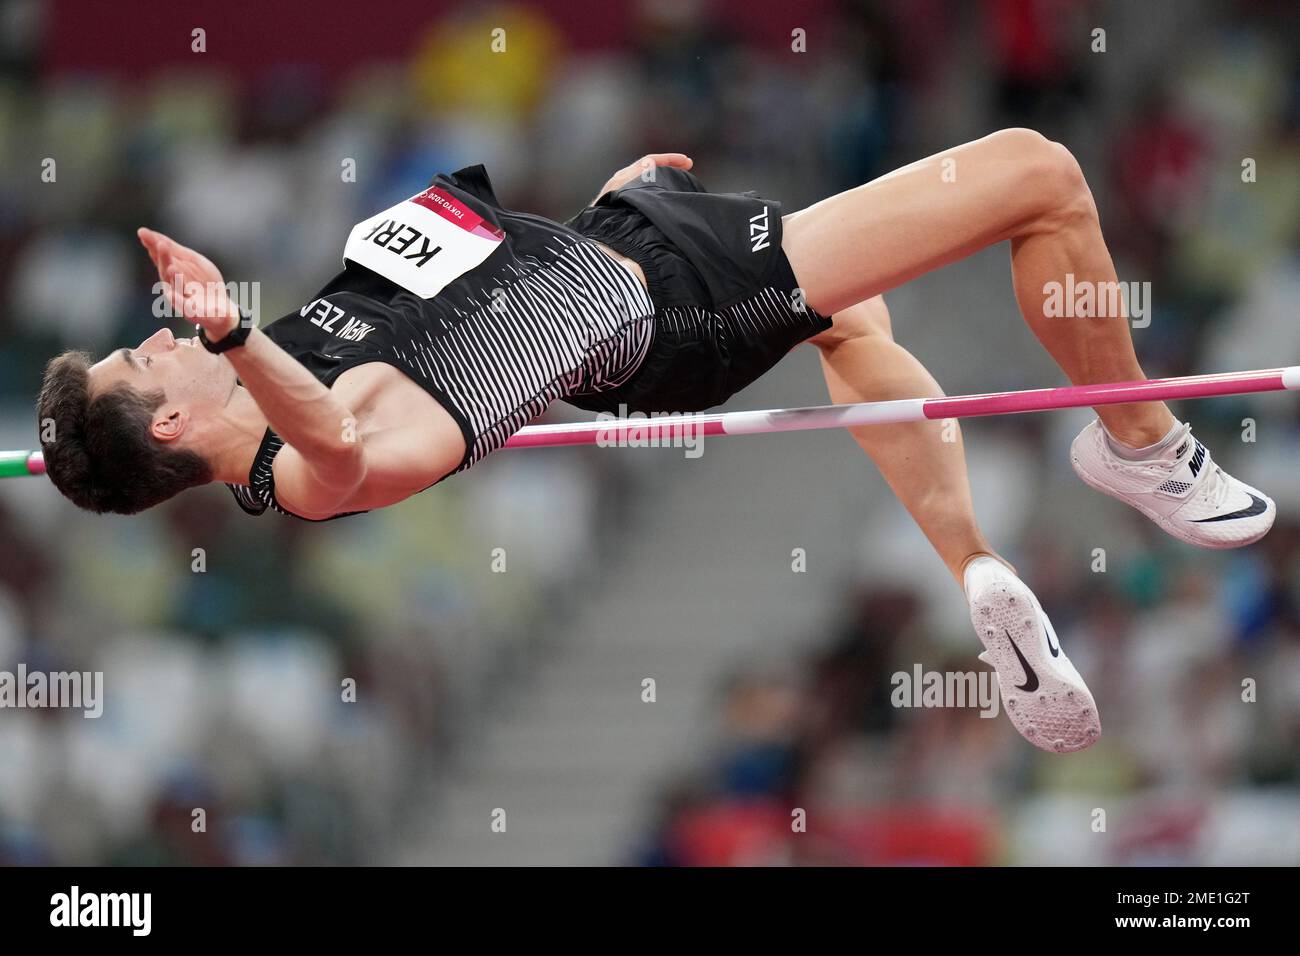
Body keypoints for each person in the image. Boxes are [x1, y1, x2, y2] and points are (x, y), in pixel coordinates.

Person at [35, 130, 1276, 752]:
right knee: (1039, 173)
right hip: (681, 309)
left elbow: (477, 287)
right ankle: (1137, 442)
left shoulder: (303, 343)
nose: (156, 337)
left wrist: (584, 219)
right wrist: (235, 333)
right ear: (176, 419)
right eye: (143, 358)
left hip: (623, 245)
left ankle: (973, 571)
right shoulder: (301, 467)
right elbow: (345, 453)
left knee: (854, 328)